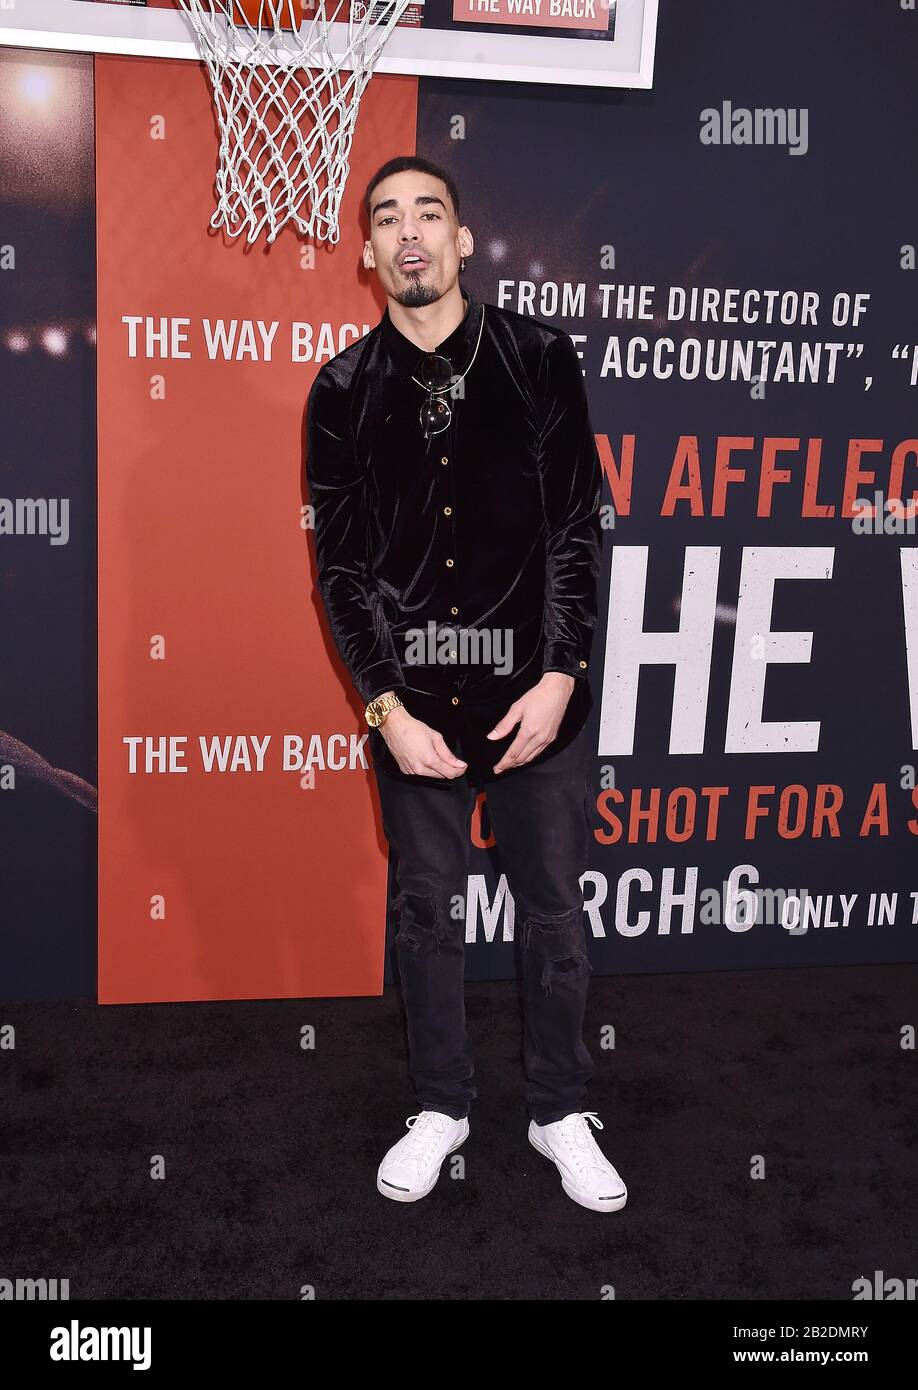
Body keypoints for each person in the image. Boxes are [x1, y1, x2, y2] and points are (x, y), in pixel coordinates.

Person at [305, 155, 626, 1213]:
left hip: (540, 697)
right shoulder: (342, 391)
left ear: (463, 238)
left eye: (428, 214)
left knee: (552, 914)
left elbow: (577, 533)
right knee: (426, 914)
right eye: (387, 218)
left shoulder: (539, 359)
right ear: (364, 255)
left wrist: (561, 676)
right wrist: (385, 710)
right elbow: (342, 573)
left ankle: (558, 1109)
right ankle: (441, 1105)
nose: (409, 234)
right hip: (415, 710)